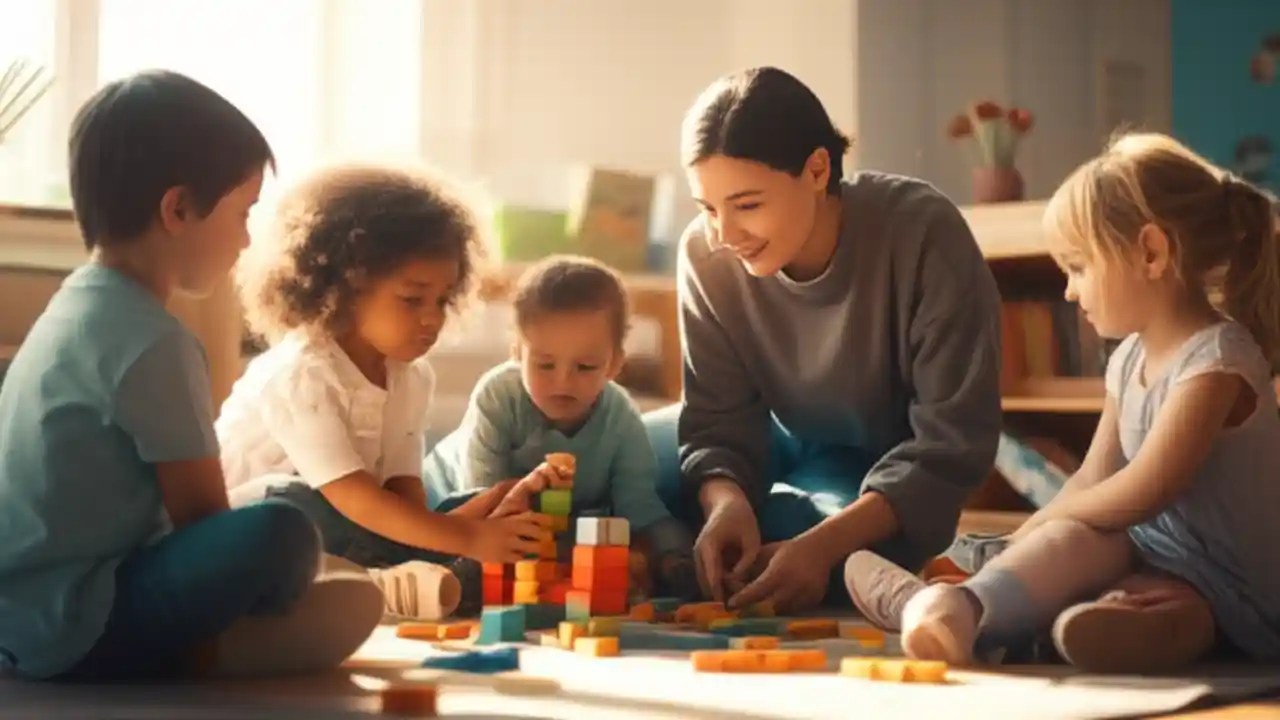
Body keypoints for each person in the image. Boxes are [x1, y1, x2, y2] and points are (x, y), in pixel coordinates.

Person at [847, 132, 1280, 673]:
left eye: (1078, 267)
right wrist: (1035, 535)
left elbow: (1144, 490)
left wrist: (1044, 525)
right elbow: (1093, 477)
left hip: (1235, 588)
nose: (1070, 291)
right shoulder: (1129, 360)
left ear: (1150, 252)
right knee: (1082, 545)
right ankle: (963, 608)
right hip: (1152, 559)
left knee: (1147, 587)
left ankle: (968, 608)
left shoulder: (1216, 360)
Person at [0, 71, 382, 681]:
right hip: (82, 623)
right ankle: (221, 645)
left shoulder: (75, 305)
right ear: (178, 209)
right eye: (243, 213)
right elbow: (201, 518)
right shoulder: (154, 341)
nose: (246, 240)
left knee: (271, 496)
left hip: (22, 615)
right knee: (282, 529)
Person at [645, 66, 1003, 612]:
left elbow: (952, 444)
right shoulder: (705, 255)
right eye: (708, 209)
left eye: (747, 205)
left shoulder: (922, 232)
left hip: (880, 471)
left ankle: (685, 554)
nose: (723, 236)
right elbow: (715, 419)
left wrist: (820, 548)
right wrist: (724, 502)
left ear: (817, 169)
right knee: (608, 462)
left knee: (791, 543)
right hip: (770, 431)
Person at [217, 164, 550, 619]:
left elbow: (401, 488)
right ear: (345, 290)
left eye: (442, 299)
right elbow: (351, 495)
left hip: (357, 526)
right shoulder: (302, 373)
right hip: (259, 532)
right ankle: (388, 581)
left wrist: (473, 518)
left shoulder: (410, 377)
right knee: (293, 503)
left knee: (469, 507)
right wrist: (467, 537)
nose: (432, 318)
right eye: (412, 299)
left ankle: (397, 579)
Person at [424, 256, 699, 599]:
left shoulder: (619, 417)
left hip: (556, 528)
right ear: (517, 353)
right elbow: (486, 504)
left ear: (614, 364)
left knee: (662, 544)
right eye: (545, 365)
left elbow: (639, 507)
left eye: (585, 367)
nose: (563, 382)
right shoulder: (497, 398)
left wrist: (667, 558)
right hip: (453, 503)